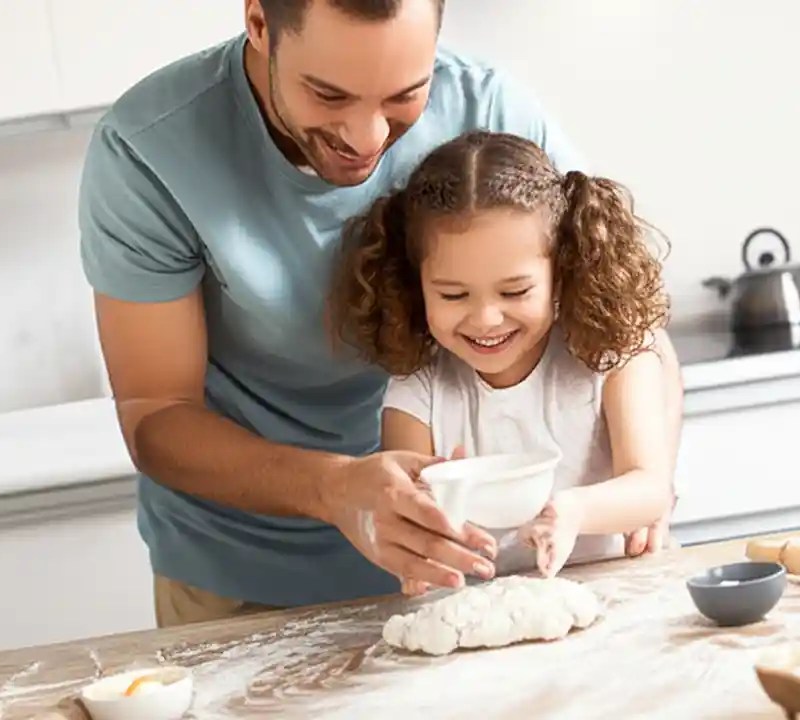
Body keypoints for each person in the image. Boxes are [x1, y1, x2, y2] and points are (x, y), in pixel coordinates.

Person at [78, 0, 685, 626]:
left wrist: (644, 483)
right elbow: (158, 416)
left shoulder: (488, 110)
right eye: (328, 95)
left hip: (461, 574)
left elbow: (626, 321)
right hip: (248, 569)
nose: (366, 138)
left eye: (406, 95)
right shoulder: (149, 152)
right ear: (259, 25)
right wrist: (335, 487)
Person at [329, 130, 680, 595]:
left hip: (619, 598)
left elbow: (650, 486)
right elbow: (411, 510)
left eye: (515, 291)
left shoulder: (611, 357)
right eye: (453, 294)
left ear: (562, 271)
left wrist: (572, 512)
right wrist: (425, 532)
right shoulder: (419, 387)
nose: (485, 318)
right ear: (416, 285)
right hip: (483, 618)